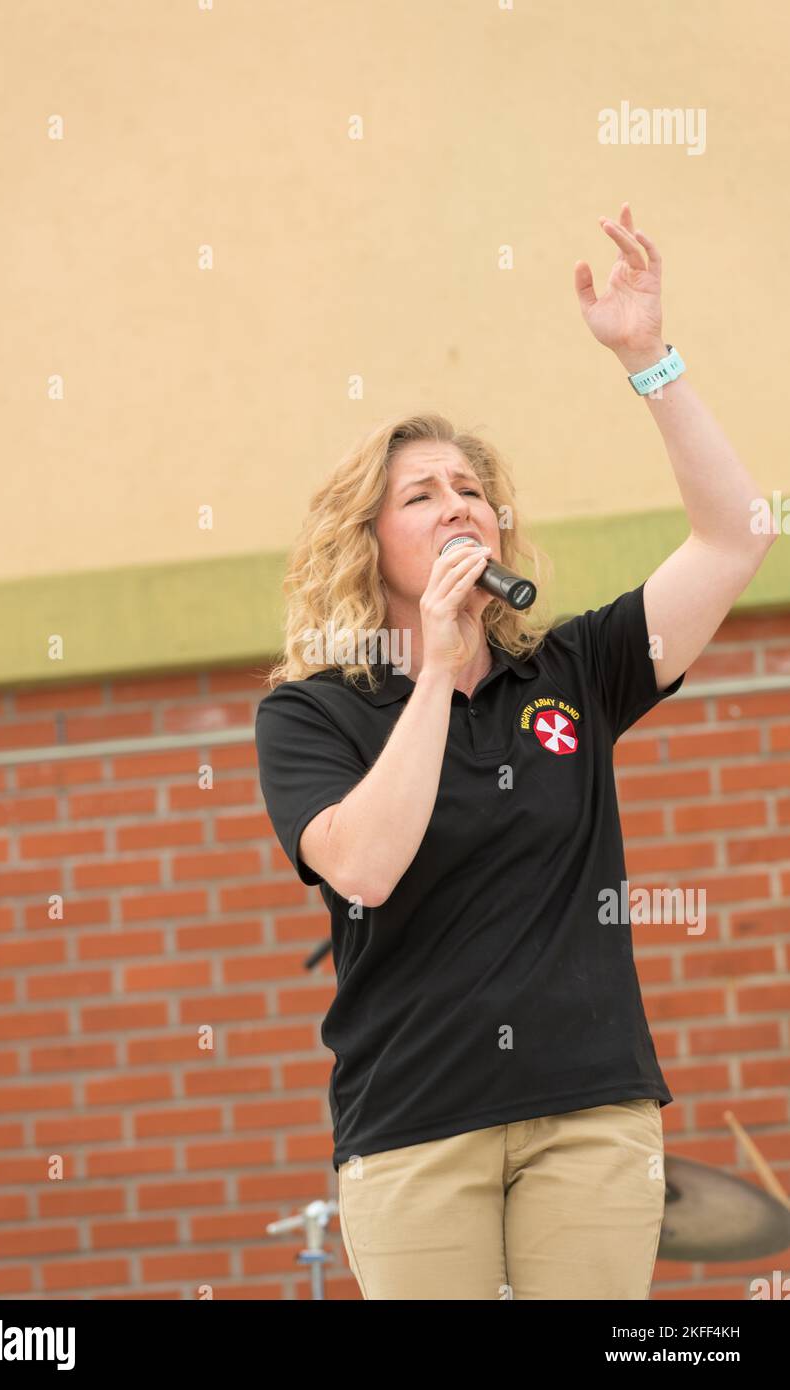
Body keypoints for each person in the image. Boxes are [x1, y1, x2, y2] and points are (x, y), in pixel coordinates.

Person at [253, 209, 777, 1299]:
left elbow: (737, 535)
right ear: (370, 544)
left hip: (590, 1108)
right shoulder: (313, 712)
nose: (458, 507)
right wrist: (437, 674)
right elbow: (364, 865)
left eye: (470, 490)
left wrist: (648, 360)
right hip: (416, 1123)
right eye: (422, 495)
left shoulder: (571, 671)